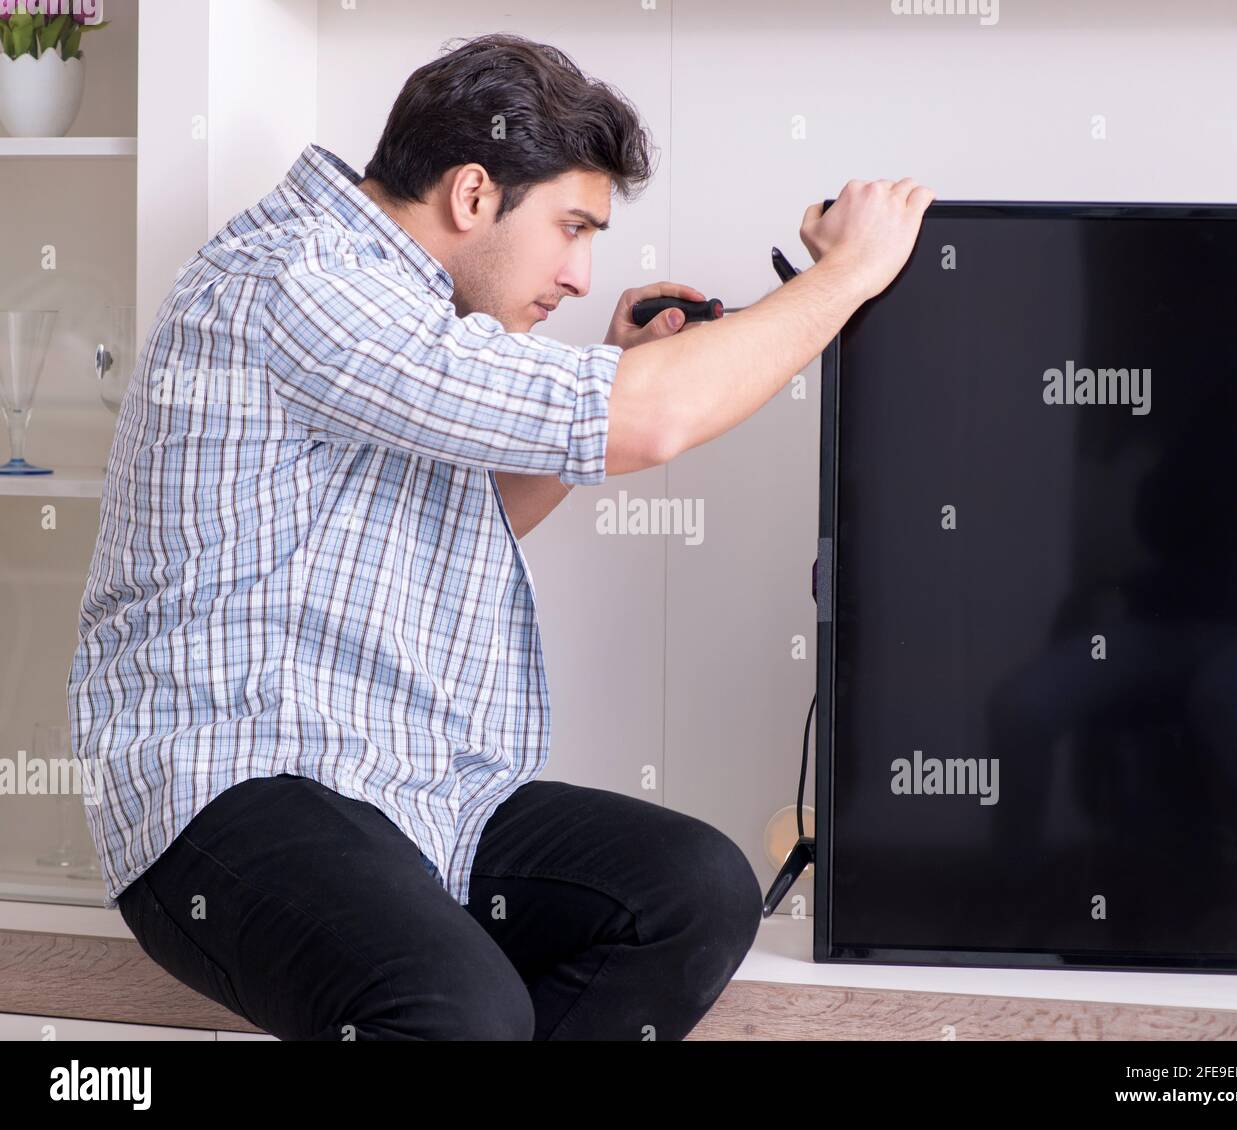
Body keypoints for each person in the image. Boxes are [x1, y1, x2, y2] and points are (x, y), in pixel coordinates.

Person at [67, 30, 934, 1040]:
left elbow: (476, 512)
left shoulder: (404, 314)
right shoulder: (307, 279)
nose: (579, 272)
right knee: (457, 1011)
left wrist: (615, 362)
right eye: (571, 226)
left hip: (408, 791)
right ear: (473, 195)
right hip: (229, 796)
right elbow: (647, 423)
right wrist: (846, 276)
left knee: (688, 888)